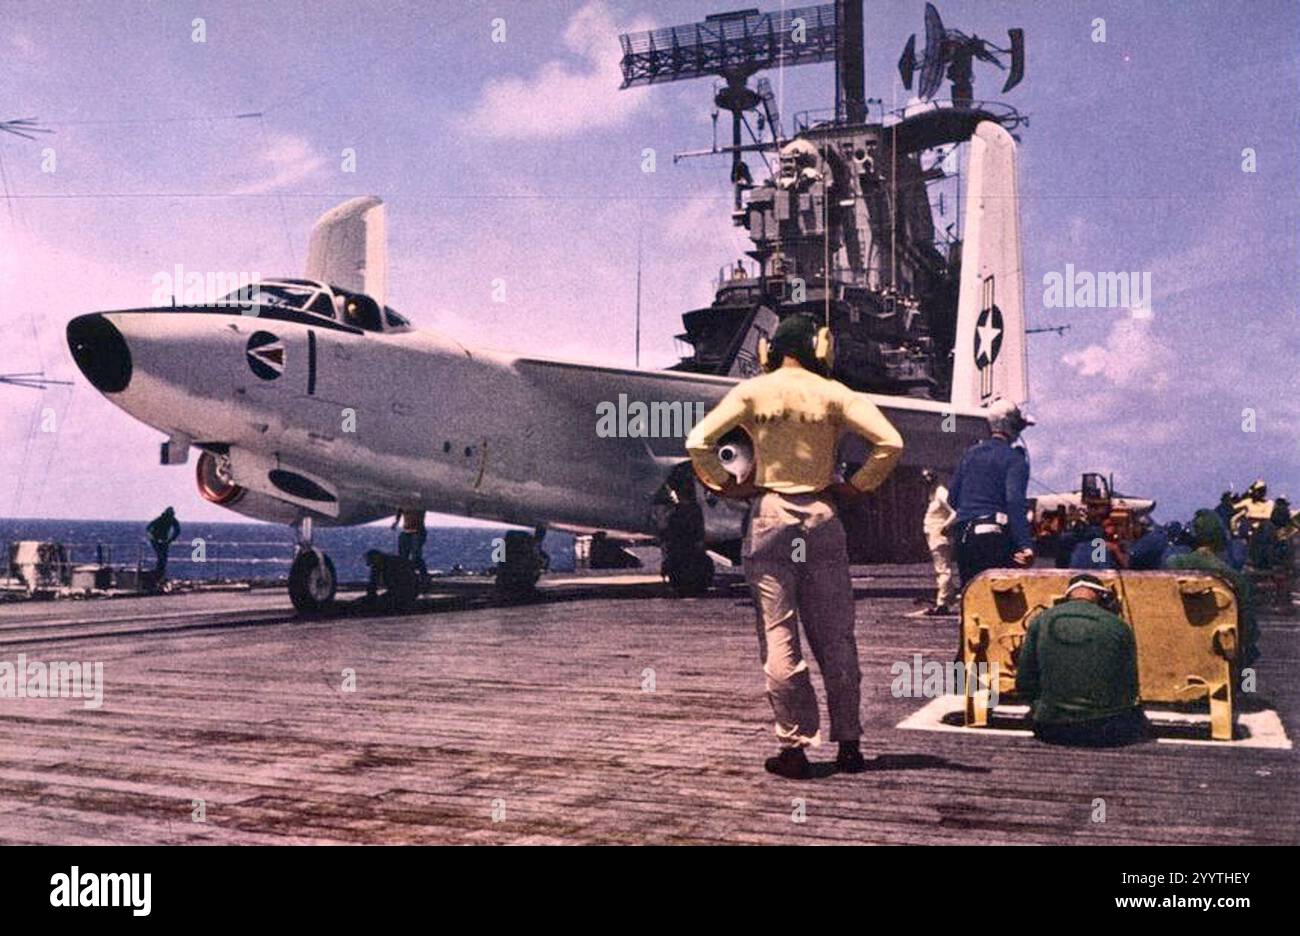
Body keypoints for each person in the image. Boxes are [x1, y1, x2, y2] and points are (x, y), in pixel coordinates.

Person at [685, 313, 904, 779]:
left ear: (770, 351)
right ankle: (849, 745)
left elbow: (698, 441)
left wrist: (729, 486)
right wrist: (859, 486)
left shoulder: (752, 392)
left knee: (780, 636)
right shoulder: (836, 395)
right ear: (820, 348)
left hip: (770, 516)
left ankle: (795, 748)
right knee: (836, 637)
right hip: (822, 517)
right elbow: (891, 442)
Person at [1015, 572, 1148, 746]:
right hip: (1104, 732)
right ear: (1101, 596)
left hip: (1051, 729)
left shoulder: (1040, 621)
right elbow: (1130, 688)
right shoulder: (1119, 626)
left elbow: (1024, 682)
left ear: (1068, 595)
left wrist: (1040, 706)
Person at [948, 398, 1035, 584]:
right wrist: (1025, 545)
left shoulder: (970, 454)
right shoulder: (1015, 459)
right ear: (1013, 427)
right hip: (995, 538)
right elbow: (1014, 502)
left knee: (971, 598)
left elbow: (952, 498)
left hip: (965, 536)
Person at [1165, 510, 1258, 667]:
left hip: (1178, 651)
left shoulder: (1172, 565)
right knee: (1250, 662)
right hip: (1220, 655)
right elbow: (1249, 629)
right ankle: (1249, 688)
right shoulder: (1234, 578)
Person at [920, 468, 958, 614]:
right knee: (941, 568)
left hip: (939, 535)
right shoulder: (933, 493)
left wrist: (945, 526)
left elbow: (955, 512)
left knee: (943, 569)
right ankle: (949, 597)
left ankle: (942, 603)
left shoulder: (941, 492)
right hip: (933, 535)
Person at [146, 506, 181, 584]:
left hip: (164, 541)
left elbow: (177, 530)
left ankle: (160, 575)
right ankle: (157, 576)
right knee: (161, 557)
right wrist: (152, 538)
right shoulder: (160, 519)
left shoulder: (172, 520)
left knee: (163, 559)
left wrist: (170, 539)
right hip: (156, 540)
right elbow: (149, 527)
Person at [392, 510, 428, 576]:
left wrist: (396, 522)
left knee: (416, 557)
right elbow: (399, 511)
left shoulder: (419, 504)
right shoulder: (404, 504)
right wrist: (396, 522)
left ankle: (423, 575)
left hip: (417, 531)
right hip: (406, 531)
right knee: (403, 557)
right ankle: (405, 574)